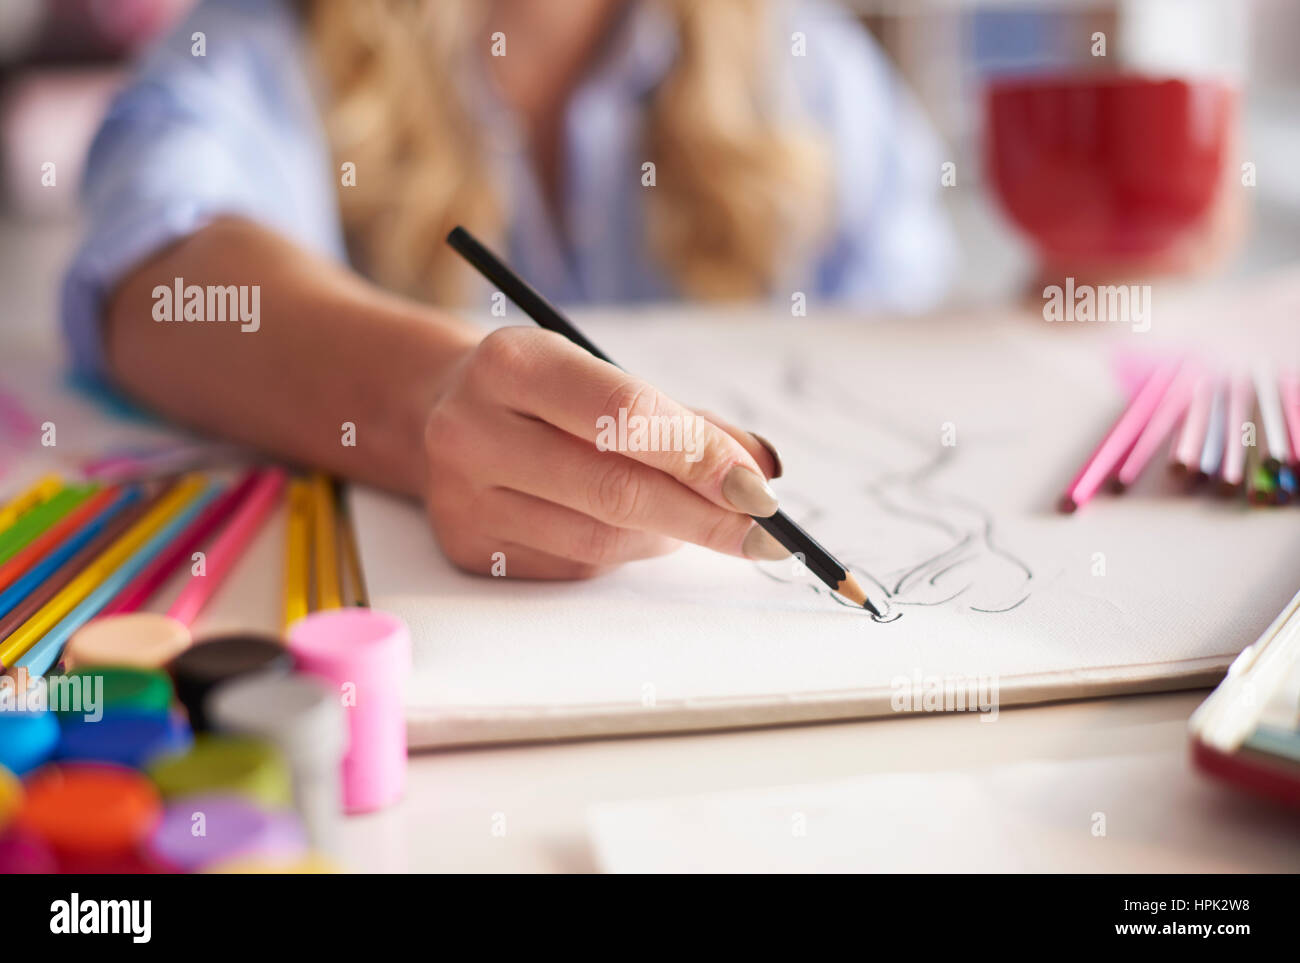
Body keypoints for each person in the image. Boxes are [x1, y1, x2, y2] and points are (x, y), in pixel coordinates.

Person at [64, 0, 955, 578]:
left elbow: (919, 336)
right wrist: (425, 399)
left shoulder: (810, 66)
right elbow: (156, 272)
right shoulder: (265, 45)